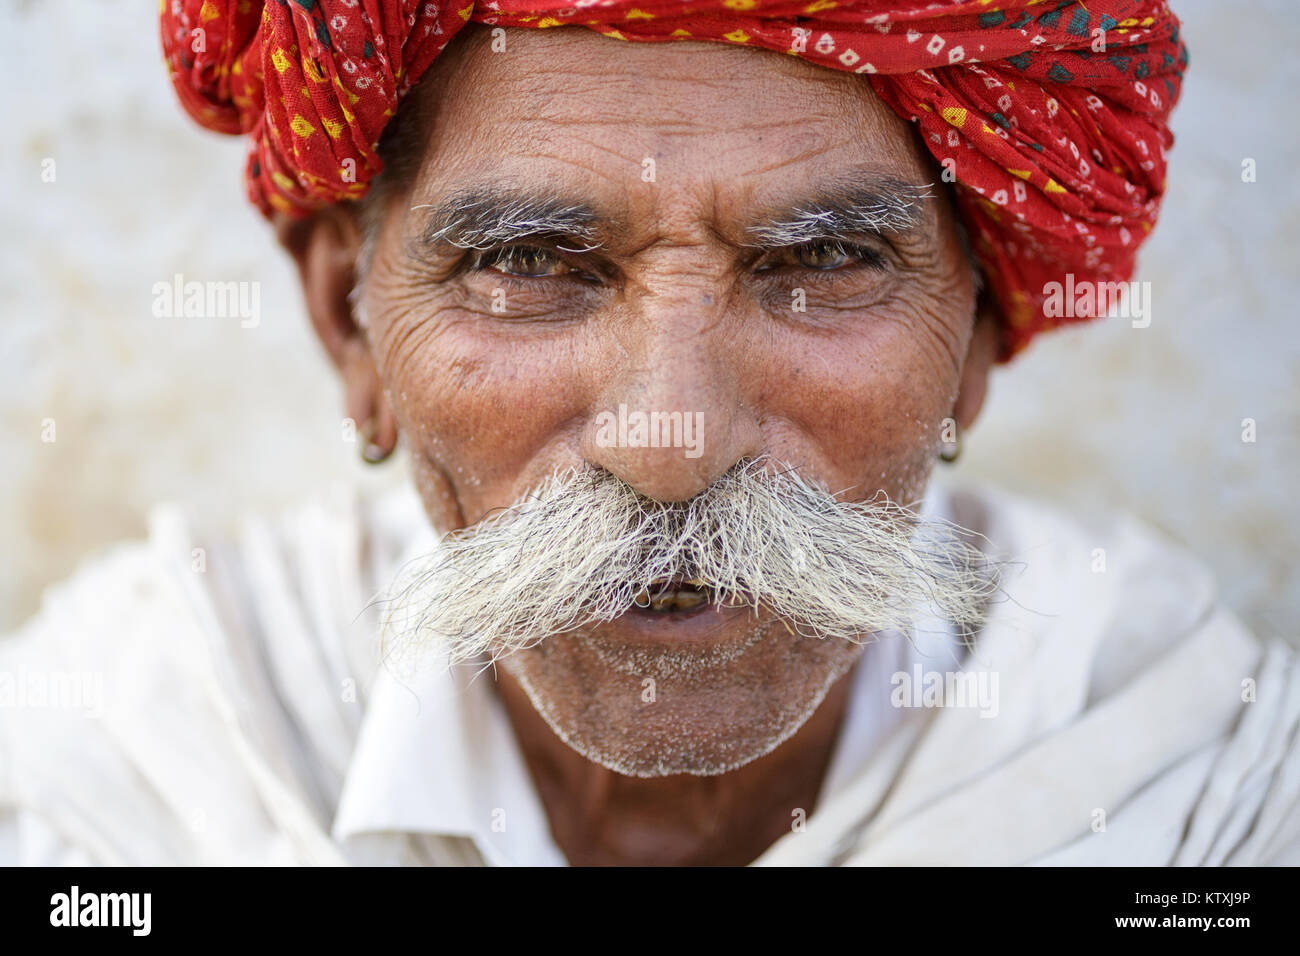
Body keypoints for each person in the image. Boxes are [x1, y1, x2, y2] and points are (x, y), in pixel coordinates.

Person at [2, 0, 1296, 866]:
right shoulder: (137, 770)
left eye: (830, 258)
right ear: (353, 328)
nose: (673, 447)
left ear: (972, 341)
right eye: (529, 263)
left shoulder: (1185, 788)